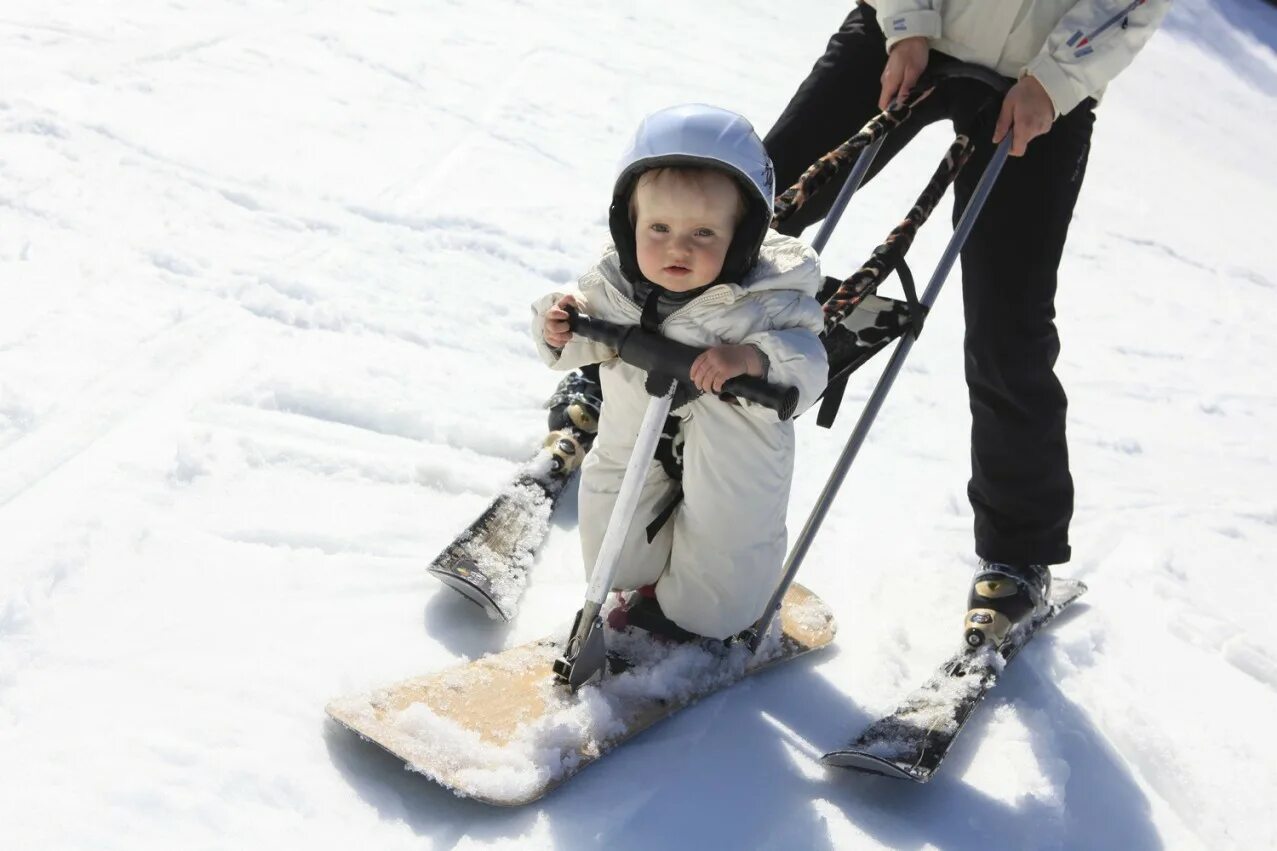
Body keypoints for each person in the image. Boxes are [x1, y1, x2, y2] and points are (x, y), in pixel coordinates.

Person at [763, 0, 1170, 646]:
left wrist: (1055, 81)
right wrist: (905, 25)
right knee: (748, 209)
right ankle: (628, 371)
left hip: (1041, 78)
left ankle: (1018, 551)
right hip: (905, 29)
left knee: (1008, 321)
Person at [531, 104, 829, 641]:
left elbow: (809, 359)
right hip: (631, 444)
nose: (677, 247)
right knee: (615, 552)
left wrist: (753, 358)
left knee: (718, 585)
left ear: (742, 238)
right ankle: (645, 581)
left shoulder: (766, 302)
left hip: (733, 460)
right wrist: (559, 323)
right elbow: (583, 321)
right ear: (629, 225)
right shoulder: (616, 284)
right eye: (659, 227)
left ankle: (701, 615)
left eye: (704, 233)